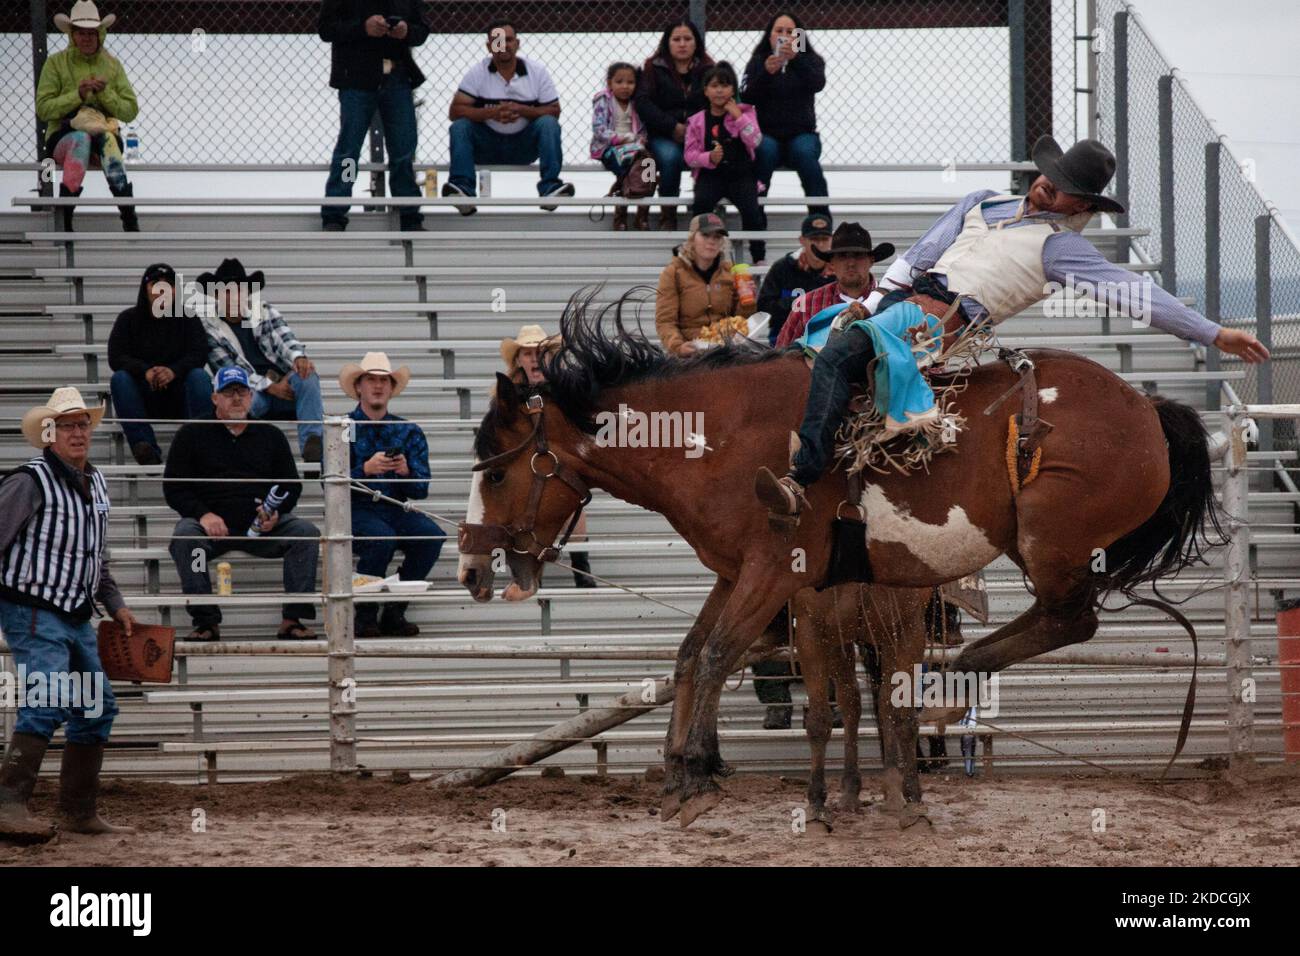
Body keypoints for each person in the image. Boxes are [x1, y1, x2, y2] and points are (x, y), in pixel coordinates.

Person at [756, 136, 1271, 519]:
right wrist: (870, 302)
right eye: (1055, 175)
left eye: (1068, 188)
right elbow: (920, 255)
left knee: (838, 355)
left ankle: (802, 481)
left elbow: (1134, 292)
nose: (1052, 184)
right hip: (898, 302)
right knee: (804, 349)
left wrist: (1211, 333)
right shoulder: (981, 201)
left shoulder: (1059, 247)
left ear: (1082, 207)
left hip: (937, 325)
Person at [1, 386, 138, 842]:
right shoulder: (28, 481)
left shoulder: (95, 483)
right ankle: (8, 806)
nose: (78, 432)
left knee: (96, 707)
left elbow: (95, 558)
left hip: (74, 613)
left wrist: (115, 605)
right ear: (49, 433)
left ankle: (78, 810)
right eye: (67, 425)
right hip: (32, 608)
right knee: (47, 700)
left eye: (83, 424)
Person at [164, 367, 319, 642]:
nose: (236, 398)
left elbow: (291, 486)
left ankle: (293, 618)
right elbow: (174, 487)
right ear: (215, 398)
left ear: (250, 396)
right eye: (228, 392)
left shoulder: (270, 435)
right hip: (211, 529)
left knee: (305, 533)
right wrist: (203, 514)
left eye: (242, 392)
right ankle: (206, 620)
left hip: (261, 527)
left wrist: (275, 512)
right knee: (188, 540)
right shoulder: (192, 434)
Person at [341, 352, 445, 636]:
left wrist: (405, 472)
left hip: (394, 507)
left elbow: (421, 488)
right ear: (359, 386)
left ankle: (395, 608)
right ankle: (365, 613)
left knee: (431, 537)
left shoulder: (408, 430)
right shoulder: (344, 428)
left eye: (384, 381)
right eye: (371, 379)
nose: (378, 386)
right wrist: (364, 469)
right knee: (381, 539)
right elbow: (331, 482)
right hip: (355, 508)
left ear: (391, 388)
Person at [195, 257, 324, 462]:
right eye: (226, 291)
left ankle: (312, 447)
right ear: (216, 295)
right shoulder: (209, 327)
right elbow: (229, 369)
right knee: (239, 403)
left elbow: (285, 339)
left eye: (239, 290)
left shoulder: (263, 311)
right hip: (250, 389)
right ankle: (238, 456)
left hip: (285, 386)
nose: (233, 297)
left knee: (307, 376)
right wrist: (270, 386)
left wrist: (299, 357)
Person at [319, 0, 429, 232]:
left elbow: (421, 29)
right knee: (350, 150)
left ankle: (408, 212)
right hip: (356, 78)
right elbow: (326, 28)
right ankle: (336, 209)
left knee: (403, 151)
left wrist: (406, 30)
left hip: (397, 77)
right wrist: (362, 28)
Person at [444, 19, 574, 217]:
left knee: (549, 124)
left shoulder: (536, 72)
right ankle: (463, 191)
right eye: (497, 40)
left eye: (509, 39)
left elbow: (554, 110)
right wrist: (492, 113)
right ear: (489, 46)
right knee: (460, 127)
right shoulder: (477, 72)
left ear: (518, 43)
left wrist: (522, 110)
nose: (503, 45)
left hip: (523, 146)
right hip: (486, 146)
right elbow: (455, 112)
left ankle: (550, 189)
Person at [501, 325, 594, 587]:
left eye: (540, 352)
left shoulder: (566, 393)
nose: (534, 358)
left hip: (556, 467)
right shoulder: (508, 396)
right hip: (522, 469)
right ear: (518, 360)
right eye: (528, 353)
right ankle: (526, 574)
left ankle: (581, 569)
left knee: (573, 500)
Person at [35, 1, 139, 232]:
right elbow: (43, 108)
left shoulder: (112, 65)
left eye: (92, 32)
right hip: (64, 135)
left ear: (100, 34)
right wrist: (78, 95)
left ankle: (128, 215)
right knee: (80, 140)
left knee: (108, 140)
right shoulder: (55, 63)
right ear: (72, 35)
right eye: (81, 32)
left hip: (103, 134)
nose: (87, 38)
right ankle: (66, 218)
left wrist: (105, 94)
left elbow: (130, 110)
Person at [107, 262, 213, 465]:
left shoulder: (188, 318)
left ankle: (202, 448)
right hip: (143, 398)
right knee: (120, 379)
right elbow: (116, 357)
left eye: (169, 285)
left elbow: (200, 353)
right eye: (156, 283)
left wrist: (173, 371)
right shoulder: (127, 319)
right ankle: (145, 449)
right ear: (145, 287)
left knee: (199, 376)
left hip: (181, 397)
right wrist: (145, 371)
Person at [741, 11, 830, 215]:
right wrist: (766, 73)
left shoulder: (811, 60)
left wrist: (796, 60)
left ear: (799, 36)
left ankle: (820, 220)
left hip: (801, 134)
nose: (784, 35)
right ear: (770, 36)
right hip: (767, 134)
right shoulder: (758, 61)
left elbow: (818, 83)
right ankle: (755, 218)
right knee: (764, 152)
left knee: (806, 156)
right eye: (779, 31)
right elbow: (745, 95)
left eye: (790, 31)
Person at [634, 18, 713, 231]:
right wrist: (672, 127)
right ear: (667, 42)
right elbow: (643, 103)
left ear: (696, 42)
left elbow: (715, 101)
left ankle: (704, 212)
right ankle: (668, 214)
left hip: (699, 133)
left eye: (687, 39)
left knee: (713, 155)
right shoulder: (653, 67)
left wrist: (694, 129)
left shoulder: (708, 68)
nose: (682, 44)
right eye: (676, 39)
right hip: (664, 134)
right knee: (671, 159)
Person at [685, 62, 767, 264]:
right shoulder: (697, 120)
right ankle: (696, 254)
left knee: (752, 212)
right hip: (711, 175)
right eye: (714, 86)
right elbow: (689, 155)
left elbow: (755, 140)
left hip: (741, 174)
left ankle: (758, 256)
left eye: (725, 85)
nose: (719, 90)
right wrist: (708, 158)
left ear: (732, 89)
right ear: (705, 91)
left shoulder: (746, 113)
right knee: (701, 206)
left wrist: (738, 117)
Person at [773, 221, 895, 350]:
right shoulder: (806, 304)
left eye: (858, 255)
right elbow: (781, 356)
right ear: (832, 263)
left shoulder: (892, 303)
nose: (851, 263)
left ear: (871, 261)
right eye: (842, 256)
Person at [654, 212, 757, 357]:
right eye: (705, 235)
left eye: (717, 237)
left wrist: (747, 303)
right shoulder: (673, 273)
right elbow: (665, 321)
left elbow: (740, 321)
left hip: (725, 352)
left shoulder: (730, 272)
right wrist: (678, 346)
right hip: (689, 355)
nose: (712, 241)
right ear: (692, 238)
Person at [757, 213, 835, 345]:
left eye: (825, 239)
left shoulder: (839, 272)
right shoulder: (782, 268)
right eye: (814, 239)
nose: (820, 244)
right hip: (786, 342)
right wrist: (797, 304)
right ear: (802, 240)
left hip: (827, 343)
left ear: (832, 240)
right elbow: (763, 309)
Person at [591, 62, 649, 231]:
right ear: (610, 83)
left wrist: (639, 141)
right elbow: (599, 130)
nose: (625, 86)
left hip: (636, 148)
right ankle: (620, 215)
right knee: (631, 166)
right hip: (610, 147)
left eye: (630, 82)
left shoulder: (638, 102)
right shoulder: (603, 100)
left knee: (650, 165)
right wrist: (622, 139)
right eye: (619, 82)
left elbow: (644, 130)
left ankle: (642, 213)